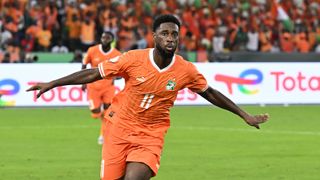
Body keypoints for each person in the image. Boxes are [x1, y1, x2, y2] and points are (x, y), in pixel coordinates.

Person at [27, 14, 269, 180]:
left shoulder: (185, 70)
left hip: (151, 134)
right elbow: (94, 73)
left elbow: (211, 93)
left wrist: (243, 114)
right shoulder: (133, 59)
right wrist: (53, 83)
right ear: (154, 36)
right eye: (165, 33)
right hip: (119, 127)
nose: (170, 39)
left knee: (135, 177)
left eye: (174, 34)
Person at [81, 31, 121, 144]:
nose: (105, 39)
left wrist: (117, 77)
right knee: (95, 112)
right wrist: (83, 81)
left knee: (108, 111)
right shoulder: (92, 50)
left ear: (112, 40)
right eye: (103, 37)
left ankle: (103, 135)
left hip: (108, 86)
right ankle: (101, 115)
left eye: (108, 37)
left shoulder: (117, 54)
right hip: (93, 86)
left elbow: (122, 70)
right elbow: (84, 64)